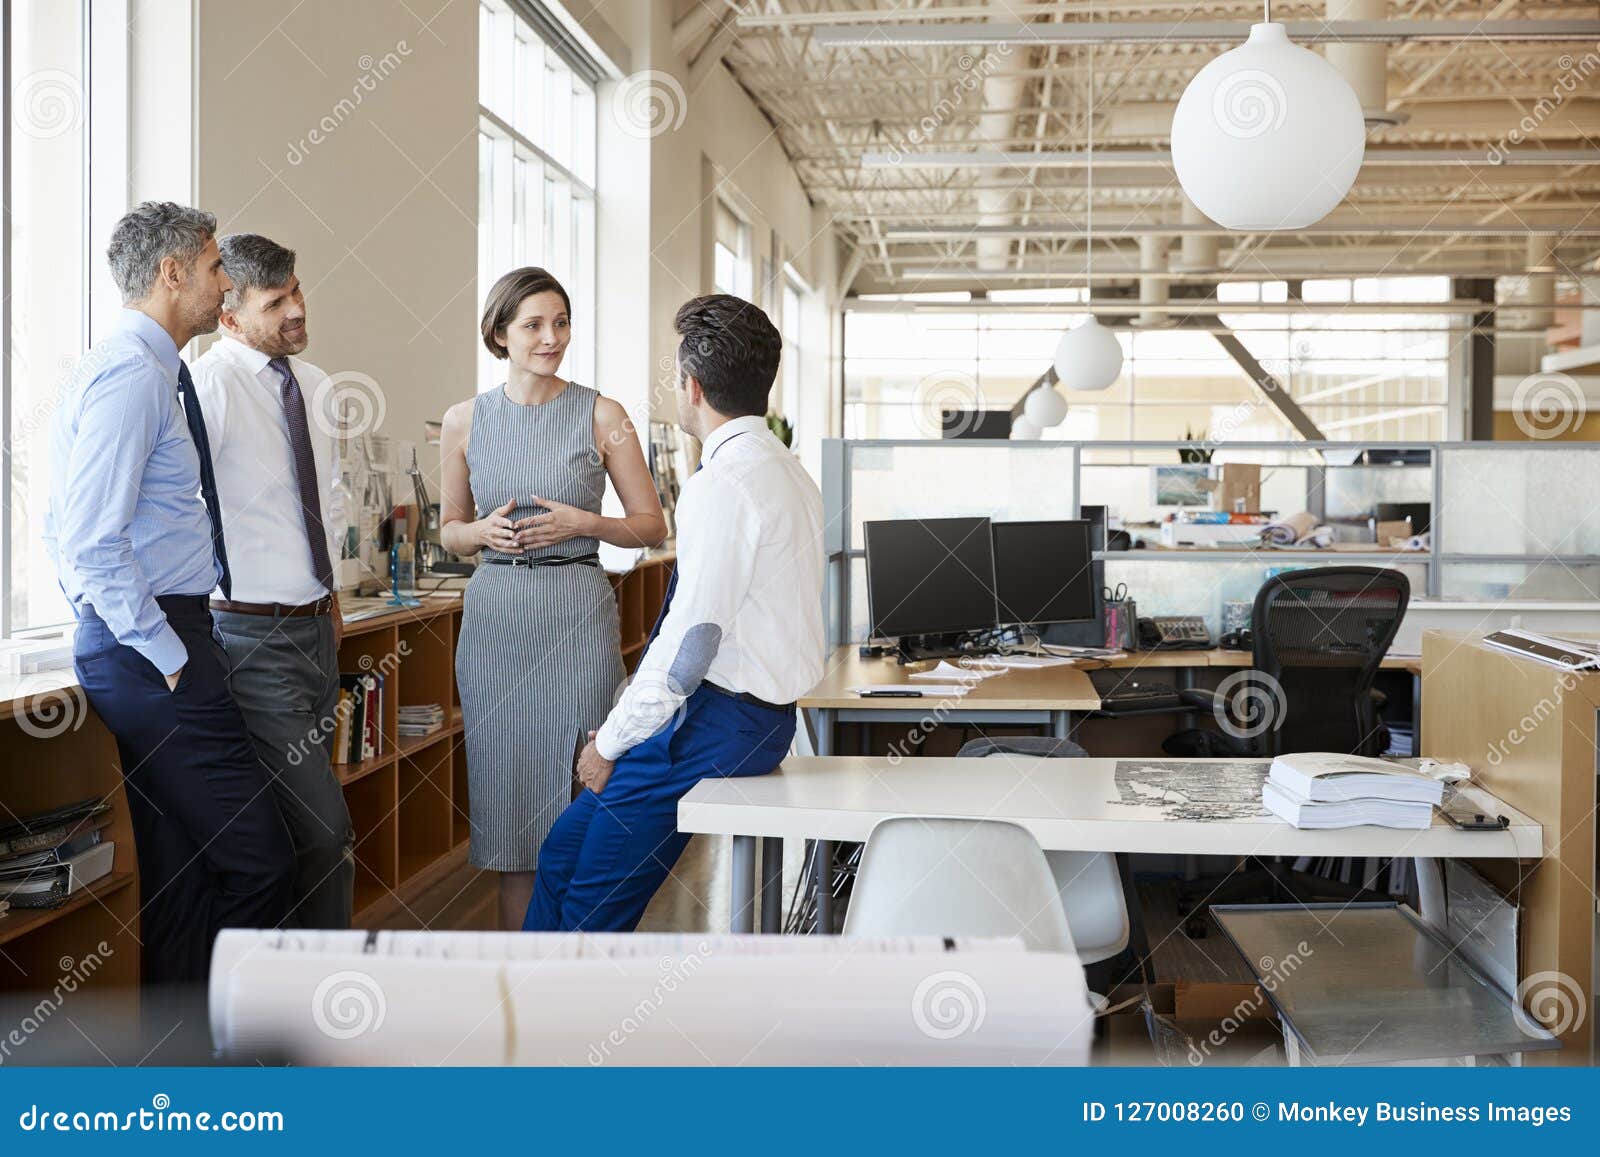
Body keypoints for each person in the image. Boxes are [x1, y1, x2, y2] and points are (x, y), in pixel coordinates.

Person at [44, 202, 295, 984]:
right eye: (217, 266)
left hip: (154, 635)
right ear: (172, 272)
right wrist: (164, 653)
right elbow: (88, 537)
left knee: (181, 871)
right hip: (155, 643)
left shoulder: (146, 369)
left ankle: (187, 1064)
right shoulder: (130, 374)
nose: (225, 283)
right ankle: (241, 1049)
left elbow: (64, 528)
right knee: (265, 860)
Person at [524, 293, 824, 933]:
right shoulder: (786, 470)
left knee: (592, 903)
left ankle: (560, 1026)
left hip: (720, 720)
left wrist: (608, 743)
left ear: (690, 386)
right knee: (563, 854)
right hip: (748, 717)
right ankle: (531, 1016)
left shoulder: (725, 485)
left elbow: (691, 647)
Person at [439, 267, 667, 930]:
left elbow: (652, 526)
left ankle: (581, 969)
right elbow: (451, 531)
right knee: (513, 825)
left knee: (584, 802)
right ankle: (523, 987)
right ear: (500, 333)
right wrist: (478, 532)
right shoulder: (462, 421)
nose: (551, 337)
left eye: (560, 322)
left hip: (577, 615)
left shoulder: (604, 414)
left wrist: (584, 522)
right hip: (496, 624)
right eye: (534, 324)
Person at [191, 233, 355, 929]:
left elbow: (324, 503)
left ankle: (278, 998)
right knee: (327, 831)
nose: (296, 308)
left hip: (318, 628)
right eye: (275, 301)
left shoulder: (312, 383)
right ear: (230, 316)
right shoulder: (211, 385)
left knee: (295, 834)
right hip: (252, 636)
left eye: (296, 290)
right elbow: (185, 507)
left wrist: (334, 601)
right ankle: (326, 1004)